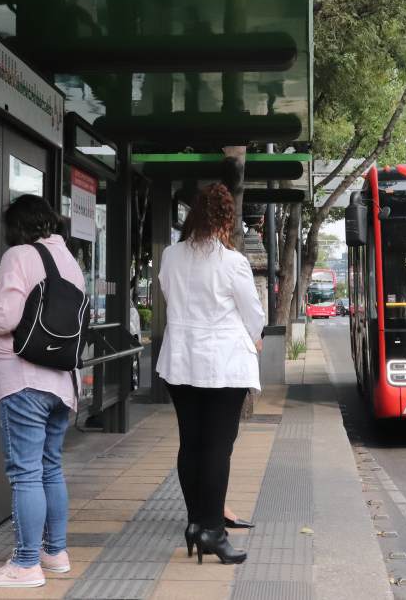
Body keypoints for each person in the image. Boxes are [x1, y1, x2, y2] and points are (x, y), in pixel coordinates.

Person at [0, 194, 82, 590]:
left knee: (25, 472)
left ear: (17, 227)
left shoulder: (19, 254)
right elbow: (39, 300)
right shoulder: (68, 259)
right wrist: (1, 287)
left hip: (25, 378)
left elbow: (7, 318)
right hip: (62, 381)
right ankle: (55, 553)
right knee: (49, 467)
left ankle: (26, 563)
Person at [157, 183, 264, 565]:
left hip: (180, 360)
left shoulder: (170, 256)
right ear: (226, 219)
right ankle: (213, 533)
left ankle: (195, 523)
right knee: (218, 447)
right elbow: (253, 313)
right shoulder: (232, 262)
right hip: (222, 365)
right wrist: (255, 337)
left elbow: (171, 298)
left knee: (192, 443)